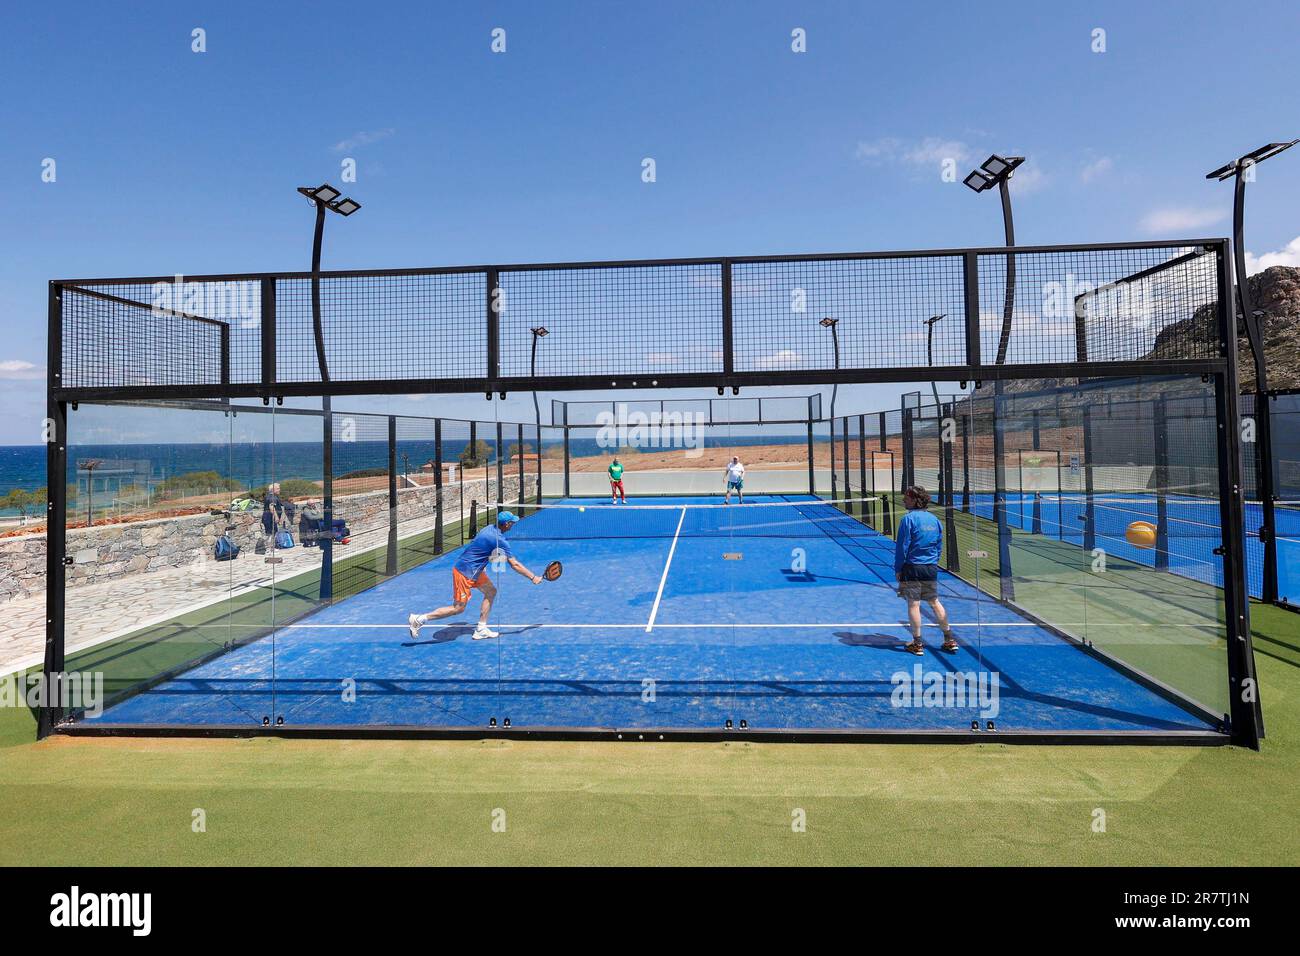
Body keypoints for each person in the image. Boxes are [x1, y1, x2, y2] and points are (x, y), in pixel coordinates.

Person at [407, 510, 542, 641]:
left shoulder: (489, 528)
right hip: (464, 573)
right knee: (458, 608)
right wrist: (533, 577)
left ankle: (481, 629)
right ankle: (419, 619)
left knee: (491, 591)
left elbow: (483, 550)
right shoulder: (499, 540)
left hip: (475, 571)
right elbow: (515, 564)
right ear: (506, 524)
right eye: (512, 522)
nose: (514, 524)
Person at [893, 485, 957, 656]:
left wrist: (898, 568)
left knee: (914, 604)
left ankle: (917, 643)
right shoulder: (934, 520)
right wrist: (933, 562)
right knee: (934, 602)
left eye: (907, 497)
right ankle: (949, 639)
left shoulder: (908, 520)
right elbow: (938, 545)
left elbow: (902, 547)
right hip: (930, 568)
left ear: (915, 500)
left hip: (912, 568)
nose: (904, 499)